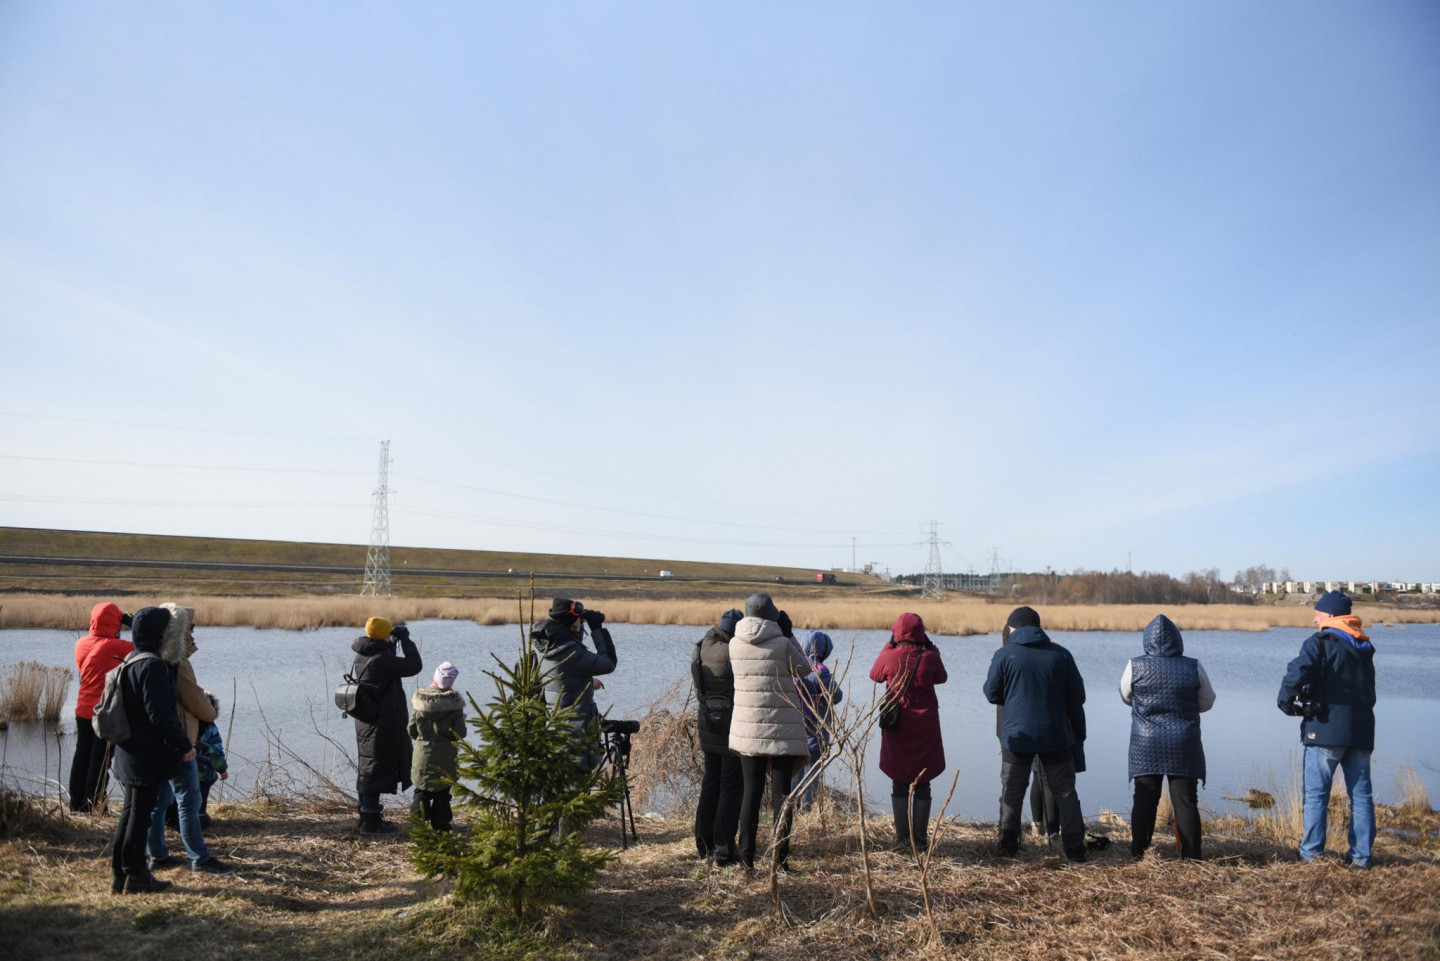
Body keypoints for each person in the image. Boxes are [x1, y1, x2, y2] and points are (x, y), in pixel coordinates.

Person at [1277, 590, 1377, 868]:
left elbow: (1296, 673)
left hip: (1324, 729)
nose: (1314, 618)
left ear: (1331, 615)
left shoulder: (1319, 642)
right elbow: (1370, 692)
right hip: (1361, 730)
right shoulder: (1363, 645)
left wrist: (1286, 702)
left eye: (1318, 613)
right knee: (1361, 795)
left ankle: (1311, 854)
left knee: (1316, 794)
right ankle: (1361, 857)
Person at [983, 606, 1088, 862]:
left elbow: (991, 694)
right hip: (1056, 735)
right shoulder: (1061, 655)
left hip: (1017, 736)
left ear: (1012, 628)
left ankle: (1008, 849)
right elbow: (1078, 697)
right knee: (1065, 792)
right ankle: (1075, 851)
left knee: (1012, 792)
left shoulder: (1004, 655)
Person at [109, 606, 193, 894]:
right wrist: (184, 745)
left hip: (128, 751)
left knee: (130, 812)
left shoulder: (131, 659)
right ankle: (137, 875)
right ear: (162, 634)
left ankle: (120, 873)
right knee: (139, 815)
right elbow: (160, 715)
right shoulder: (154, 666)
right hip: (145, 755)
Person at [1120, 614, 1216, 860]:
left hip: (1146, 741)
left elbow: (1125, 696)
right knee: (1185, 800)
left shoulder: (1135, 665)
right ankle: (1192, 856)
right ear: (1178, 640)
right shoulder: (1192, 665)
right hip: (1184, 741)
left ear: (1146, 640)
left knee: (1144, 799)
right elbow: (1207, 701)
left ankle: (1139, 853)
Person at [146, 604, 233, 875]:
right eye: (190, 629)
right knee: (189, 801)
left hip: (159, 740)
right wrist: (209, 714)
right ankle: (199, 858)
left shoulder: (151, 655)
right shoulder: (178, 662)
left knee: (159, 801)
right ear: (179, 631)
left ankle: (157, 854)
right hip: (180, 740)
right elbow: (194, 700)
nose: (194, 634)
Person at [728, 592, 810, 871]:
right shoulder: (782, 642)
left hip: (747, 729)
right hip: (781, 728)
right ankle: (780, 860)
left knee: (750, 794)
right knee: (782, 796)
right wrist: (790, 634)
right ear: (772, 615)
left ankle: (747, 859)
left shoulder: (734, 644)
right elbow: (804, 669)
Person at [870, 613, 946, 852]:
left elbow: (874, 675)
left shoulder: (890, 657)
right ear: (921, 633)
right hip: (926, 727)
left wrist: (889, 644)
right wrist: (930, 645)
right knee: (924, 782)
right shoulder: (930, 657)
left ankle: (902, 839)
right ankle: (920, 840)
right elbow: (942, 677)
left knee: (899, 780)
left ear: (896, 632)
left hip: (898, 726)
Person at [352, 616, 424, 835]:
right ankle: (372, 824)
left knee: (368, 768)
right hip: (382, 722)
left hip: (367, 720)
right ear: (384, 634)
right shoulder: (382, 659)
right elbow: (414, 666)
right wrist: (406, 641)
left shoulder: (362, 654)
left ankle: (365, 818)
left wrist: (391, 643)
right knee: (375, 769)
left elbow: (385, 663)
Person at [532, 598, 617, 769]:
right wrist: (597, 629)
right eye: (579, 620)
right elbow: (608, 663)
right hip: (576, 739)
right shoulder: (571, 652)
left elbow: (563, 673)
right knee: (577, 790)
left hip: (556, 730)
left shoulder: (546, 644)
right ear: (572, 623)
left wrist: (586, 681)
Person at [996, 614, 1059, 845]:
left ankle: (1015, 837)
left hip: (1010, 727)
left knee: (1013, 783)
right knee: (1042, 777)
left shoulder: (1004, 656)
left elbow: (993, 692)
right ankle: (1049, 832)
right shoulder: (1046, 652)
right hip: (1038, 725)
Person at [691, 608, 744, 865]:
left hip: (707, 724)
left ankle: (703, 843)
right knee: (730, 787)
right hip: (730, 727)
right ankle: (723, 849)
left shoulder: (700, 647)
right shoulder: (733, 651)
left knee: (710, 783)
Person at [70, 602, 133, 812]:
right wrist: (132, 623)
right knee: (100, 760)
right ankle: (94, 804)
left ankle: (76, 803)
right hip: (104, 712)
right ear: (115, 622)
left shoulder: (81, 643)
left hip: (82, 708)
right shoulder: (118, 647)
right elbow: (146, 648)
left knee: (81, 755)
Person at [408, 661, 466, 831]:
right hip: (446, 756)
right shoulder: (454, 703)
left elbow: (411, 729)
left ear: (435, 678)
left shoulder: (419, 701)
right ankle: (441, 826)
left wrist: (422, 738)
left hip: (423, 755)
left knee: (421, 791)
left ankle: (418, 826)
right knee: (442, 794)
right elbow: (460, 733)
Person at [794, 629, 844, 811]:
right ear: (825, 650)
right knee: (813, 770)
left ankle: (791, 808)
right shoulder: (822, 673)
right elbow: (837, 697)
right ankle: (806, 810)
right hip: (817, 729)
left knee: (795, 769)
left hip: (797, 727)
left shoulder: (797, 668)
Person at [193, 691, 228, 829]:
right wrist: (222, 769)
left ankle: (181, 820)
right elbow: (216, 752)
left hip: (184, 772)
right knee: (200, 802)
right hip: (204, 774)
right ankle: (200, 820)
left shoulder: (186, 724)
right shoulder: (211, 729)